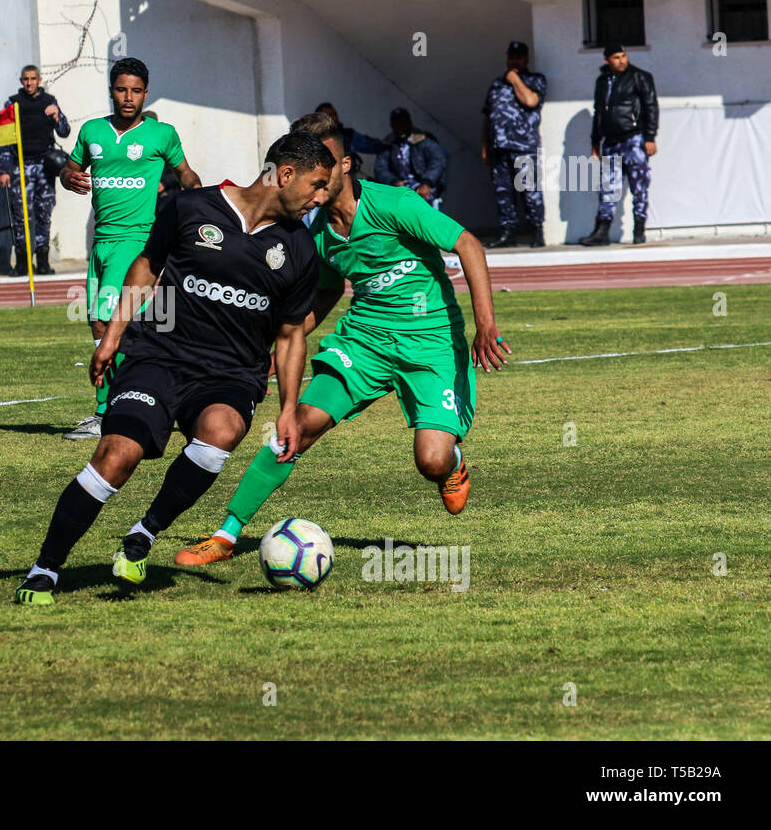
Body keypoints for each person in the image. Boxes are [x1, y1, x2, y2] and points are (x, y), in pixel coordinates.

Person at [14, 131, 334, 605]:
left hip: (231, 374)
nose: (322, 196)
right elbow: (147, 266)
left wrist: (288, 407)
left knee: (221, 432)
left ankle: (144, 533)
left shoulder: (302, 251)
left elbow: (290, 337)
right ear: (285, 174)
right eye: (318, 184)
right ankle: (46, 568)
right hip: (157, 357)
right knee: (117, 456)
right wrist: (113, 334)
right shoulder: (191, 207)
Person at [176, 115, 510, 568]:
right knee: (297, 425)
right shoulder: (317, 234)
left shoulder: (394, 204)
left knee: (430, 461)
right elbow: (328, 289)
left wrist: (484, 325)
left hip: (430, 344)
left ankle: (451, 465)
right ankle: (226, 533)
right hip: (364, 344)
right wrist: (282, 342)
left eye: (325, 163)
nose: (317, 172)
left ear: (346, 164)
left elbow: (468, 243)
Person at [57, 57, 202, 441]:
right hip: (101, 244)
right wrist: (68, 175)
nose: (128, 97)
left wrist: (197, 197)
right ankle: (140, 401)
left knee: (108, 323)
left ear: (146, 94)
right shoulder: (92, 131)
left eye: (136, 90)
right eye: (122, 89)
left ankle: (107, 412)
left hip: (138, 242)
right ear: (111, 91)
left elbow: (186, 172)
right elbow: (69, 168)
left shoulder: (161, 134)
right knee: (101, 325)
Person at [0, 65, 70, 276]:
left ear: (39, 80)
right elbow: (3, 137)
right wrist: (3, 169)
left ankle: (43, 261)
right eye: (26, 79)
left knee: (44, 213)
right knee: (21, 215)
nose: (29, 83)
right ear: (21, 80)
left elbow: (64, 132)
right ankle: (22, 262)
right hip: (21, 165)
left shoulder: (49, 102)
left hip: (45, 166)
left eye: (33, 79)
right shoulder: (13, 103)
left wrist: (57, 117)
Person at [581, 43, 658, 246]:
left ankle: (639, 229)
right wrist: (595, 140)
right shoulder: (602, 81)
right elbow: (599, 112)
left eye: (624, 56)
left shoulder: (640, 77)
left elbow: (651, 107)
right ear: (607, 60)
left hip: (634, 138)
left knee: (639, 185)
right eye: (617, 57)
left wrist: (650, 137)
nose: (622, 60)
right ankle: (602, 231)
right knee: (608, 186)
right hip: (611, 141)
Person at [481, 41, 548, 248]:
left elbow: (530, 101)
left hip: (523, 147)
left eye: (519, 57)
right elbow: (487, 116)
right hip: (499, 148)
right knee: (504, 192)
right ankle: (507, 232)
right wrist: (485, 145)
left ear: (526, 59)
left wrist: (515, 79)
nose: (514, 61)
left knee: (530, 190)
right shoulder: (497, 84)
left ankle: (537, 231)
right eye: (511, 57)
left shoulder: (535, 80)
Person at [375, 108, 449, 209]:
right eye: (396, 124)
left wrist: (427, 183)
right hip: (399, 189)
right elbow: (380, 168)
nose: (400, 127)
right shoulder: (390, 144)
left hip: (423, 186)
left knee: (424, 209)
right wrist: (393, 181)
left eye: (402, 123)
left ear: (409, 123)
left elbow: (437, 161)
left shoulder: (423, 140)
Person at [315, 102, 383, 177]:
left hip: (347, 179)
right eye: (330, 115)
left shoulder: (347, 136)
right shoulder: (313, 138)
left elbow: (372, 145)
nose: (334, 118)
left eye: (335, 114)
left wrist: (386, 146)